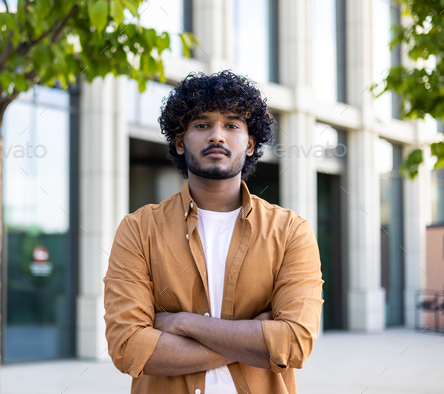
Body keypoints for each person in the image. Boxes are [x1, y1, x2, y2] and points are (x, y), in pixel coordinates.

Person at [103, 70, 324, 394]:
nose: (217, 136)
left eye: (232, 125)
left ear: (250, 143)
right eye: (202, 125)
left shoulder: (291, 232)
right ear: (180, 142)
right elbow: (128, 347)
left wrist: (182, 323)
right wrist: (256, 339)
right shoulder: (139, 230)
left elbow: (294, 344)